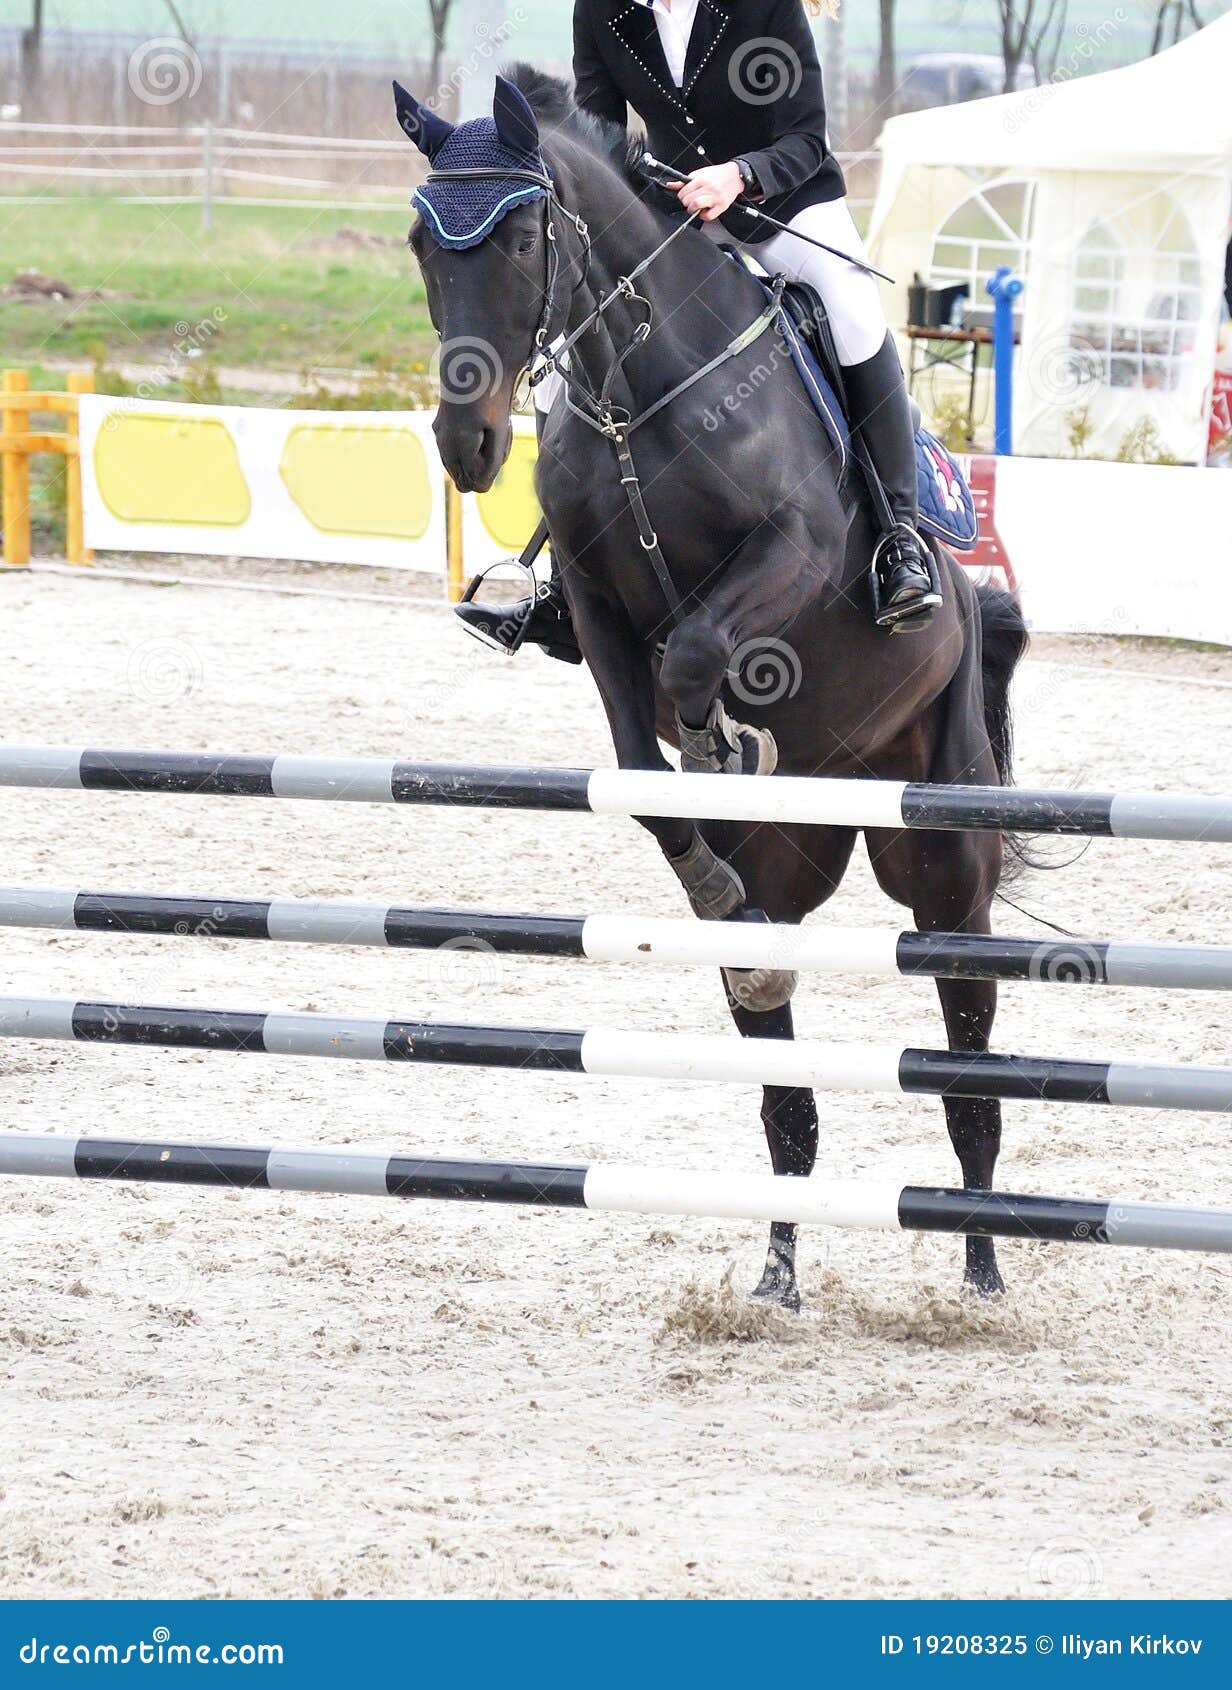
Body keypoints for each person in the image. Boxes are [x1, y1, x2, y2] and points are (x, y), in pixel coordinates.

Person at [459, 0, 940, 656]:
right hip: (679, 213)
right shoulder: (600, 10)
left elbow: (805, 139)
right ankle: (563, 583)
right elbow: (600, 137)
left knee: (854, 312)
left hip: (786, 205)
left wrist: (740, 175)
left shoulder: (764, 6)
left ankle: (899, 539)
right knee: (562, 355)